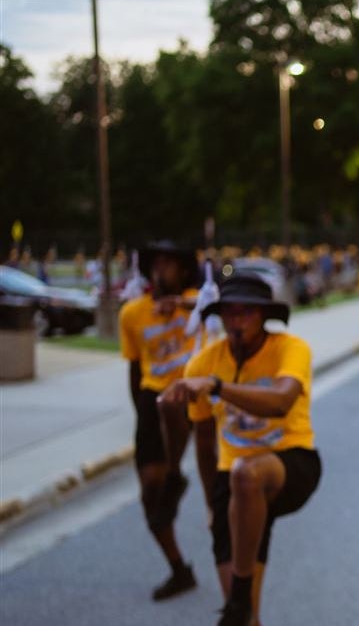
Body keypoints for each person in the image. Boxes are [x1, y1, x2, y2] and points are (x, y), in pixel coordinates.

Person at [159, 272, 321, 626]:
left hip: (289, 463)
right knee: (246, 621)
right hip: (231, 479)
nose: (237, 321)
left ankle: (239, 597)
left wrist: (218, 387)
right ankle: (243, 607)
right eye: (230, 312)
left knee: (246, 475)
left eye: (247, 312)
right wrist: (210, 504)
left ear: (263, 315)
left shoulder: (291, 348)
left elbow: (281, 402)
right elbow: (204, 442)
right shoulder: (203, 363)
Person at [118, 240, 200, 601]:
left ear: (183, 270)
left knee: (173, 407)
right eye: (156, 263)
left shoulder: (196, 301)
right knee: (151, 497)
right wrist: (140, 412)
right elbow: (134, 367)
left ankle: (176, 471)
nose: (160, 269)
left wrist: (180, 303)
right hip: (152, 396)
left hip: (190, 393)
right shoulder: (132, 314)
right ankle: (179, 569)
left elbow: (217, 305)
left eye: (169, 263)